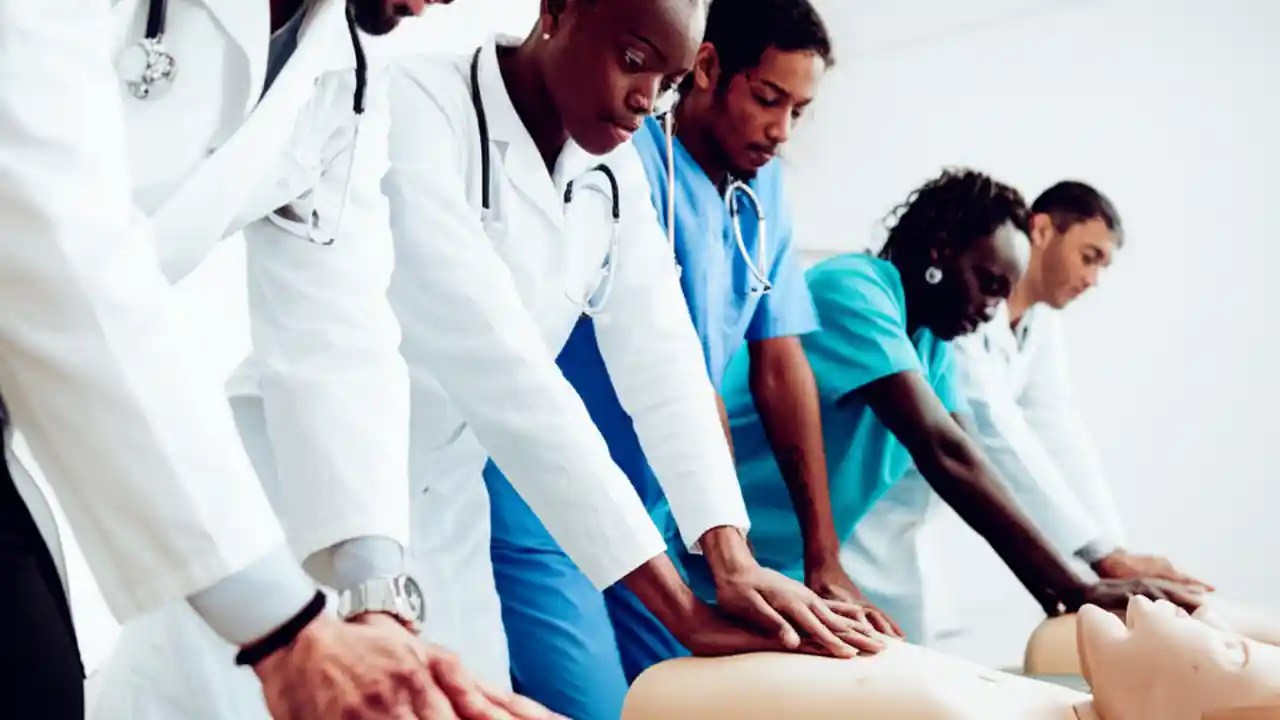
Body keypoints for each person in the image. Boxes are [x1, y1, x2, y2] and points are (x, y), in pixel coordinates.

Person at [0, 2, 548, 719]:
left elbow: (336, 321)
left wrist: (375, 600)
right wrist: (286, 633)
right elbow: (54, 234)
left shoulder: (347, 62)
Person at [383, 0, 872, 698]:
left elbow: (665, 360)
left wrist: (731, 553)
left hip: (450, 511)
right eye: (634, 61)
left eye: (667, 81)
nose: (647, 100)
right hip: (340, 480)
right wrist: (683, 611)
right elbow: (505, 372)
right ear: (558, 9)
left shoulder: (612, 170)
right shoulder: (419, 105)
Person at [695, 168, 1203, 643]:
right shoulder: (852, 289)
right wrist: (1077, 587)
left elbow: (970, 463)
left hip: (783, 573)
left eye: (1003, 294)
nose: (990, 309)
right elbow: (945, 453)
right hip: (713, 558)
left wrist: (1064, 588)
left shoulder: (931, 347)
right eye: (988, 284)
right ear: (940, 250)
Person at [842, 180, 1208, 644]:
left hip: (907, 531)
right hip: (851, 526)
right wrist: (1089, 569)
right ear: (1042, 231)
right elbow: (978, 440)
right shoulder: (943, 313)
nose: (1093, 279)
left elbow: (1059, 433)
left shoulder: (1020, 327)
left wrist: (1110, 552)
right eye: (1089, 256)